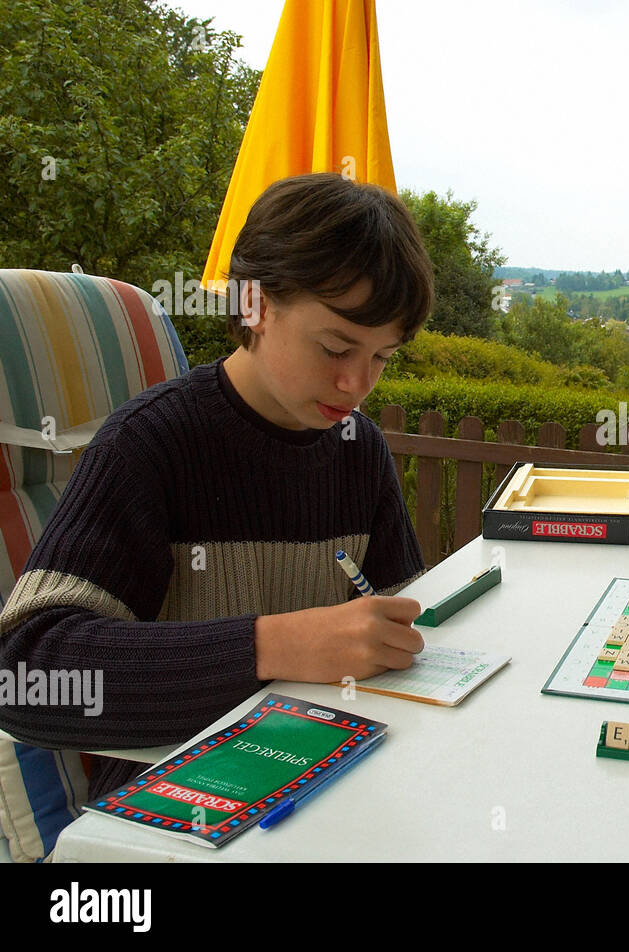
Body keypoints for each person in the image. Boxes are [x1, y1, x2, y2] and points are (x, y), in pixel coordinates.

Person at [0, 173, 433, 799]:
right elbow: (28, 673)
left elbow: (400, 611)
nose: (356, 385)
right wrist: (272, 645)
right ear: (253, 306)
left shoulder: (356, 447)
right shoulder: (148, 443)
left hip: (330, 777)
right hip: (178, 798)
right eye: (336, 347)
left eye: (381, 357)